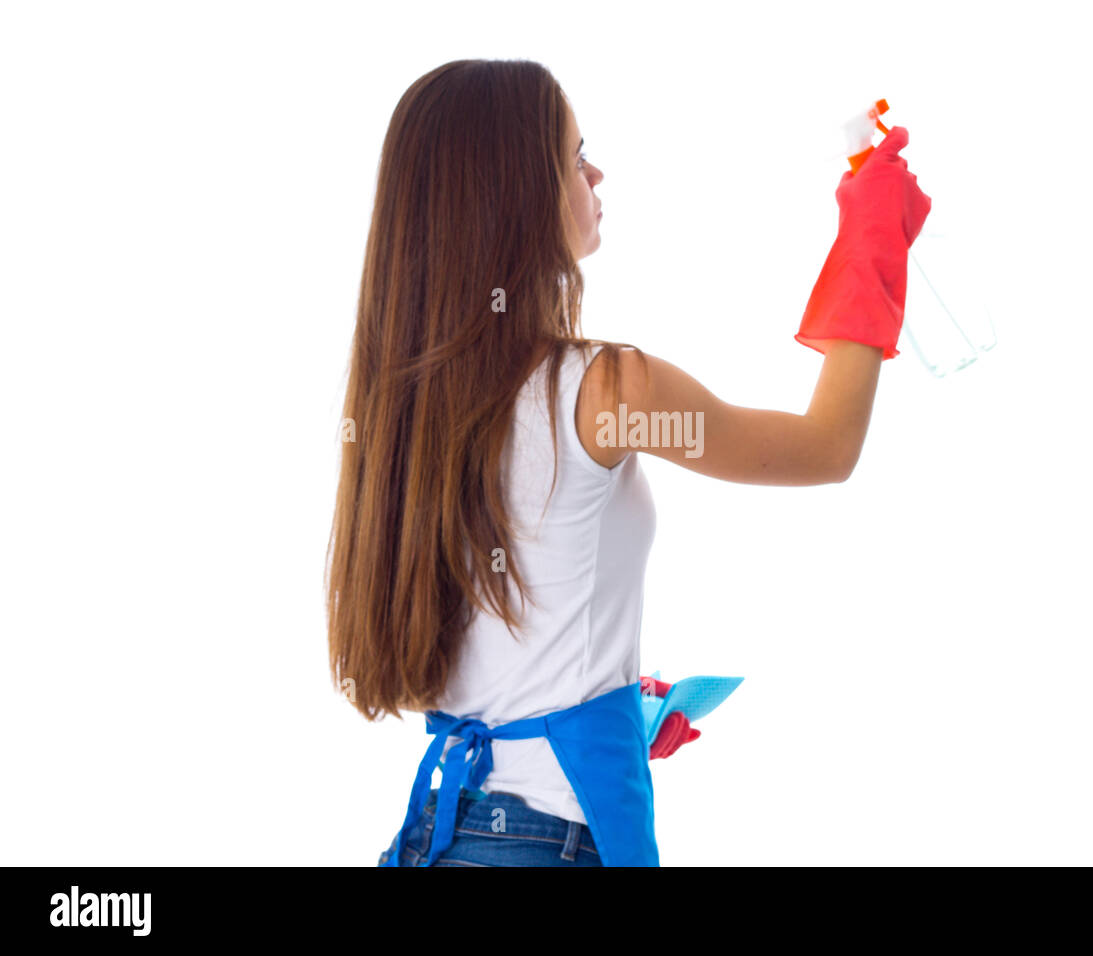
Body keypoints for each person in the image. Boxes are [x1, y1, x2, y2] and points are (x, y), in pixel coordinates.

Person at [325, 59, 930, 867]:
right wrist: (871, 242)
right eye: (575, 156)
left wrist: (608, 714)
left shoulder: (408, 408)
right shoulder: (606, 391)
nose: (596, 171)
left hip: (445, 835)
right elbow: (826, 446)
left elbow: (505, 639)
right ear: (515, 194)